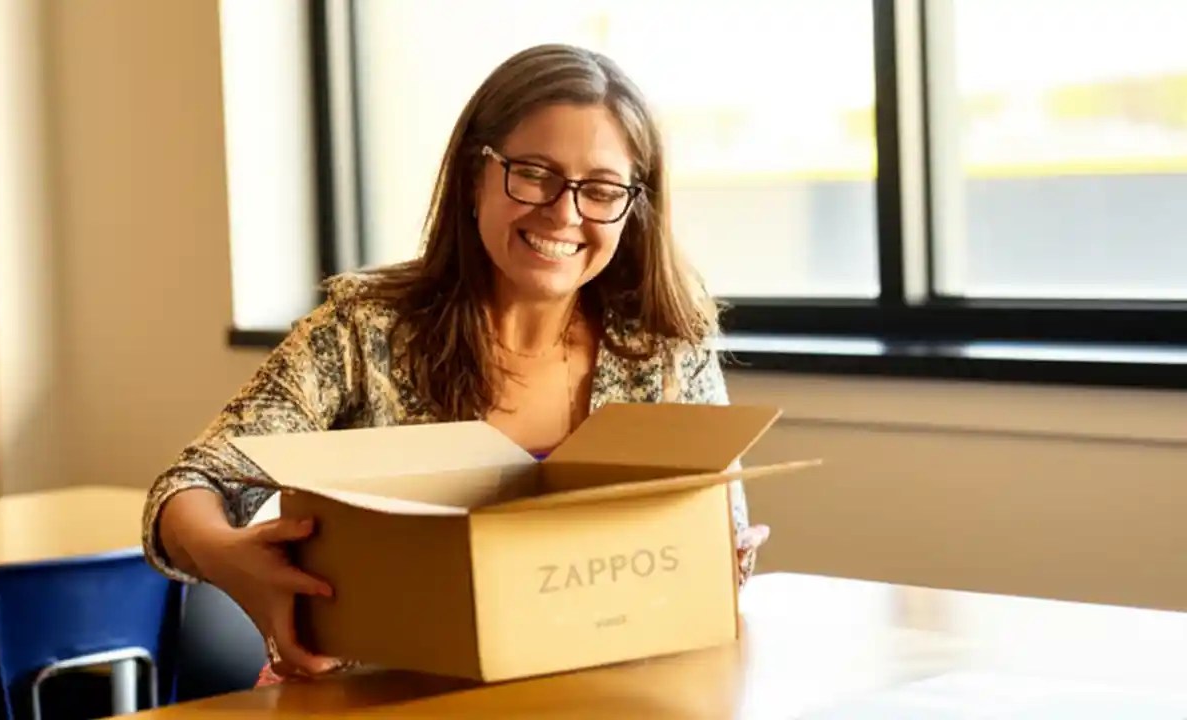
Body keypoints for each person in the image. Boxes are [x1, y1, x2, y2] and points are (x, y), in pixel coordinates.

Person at [141, 43, 769, 684]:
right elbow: (188, 489)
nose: (564, 211)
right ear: (476, 175)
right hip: (376, 696)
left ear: (633, 208)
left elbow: (725, 548)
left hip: (608, 692)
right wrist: (230, 560)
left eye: (602, 190)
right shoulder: (365, 331)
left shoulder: (667, 347)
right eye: (533, 173)